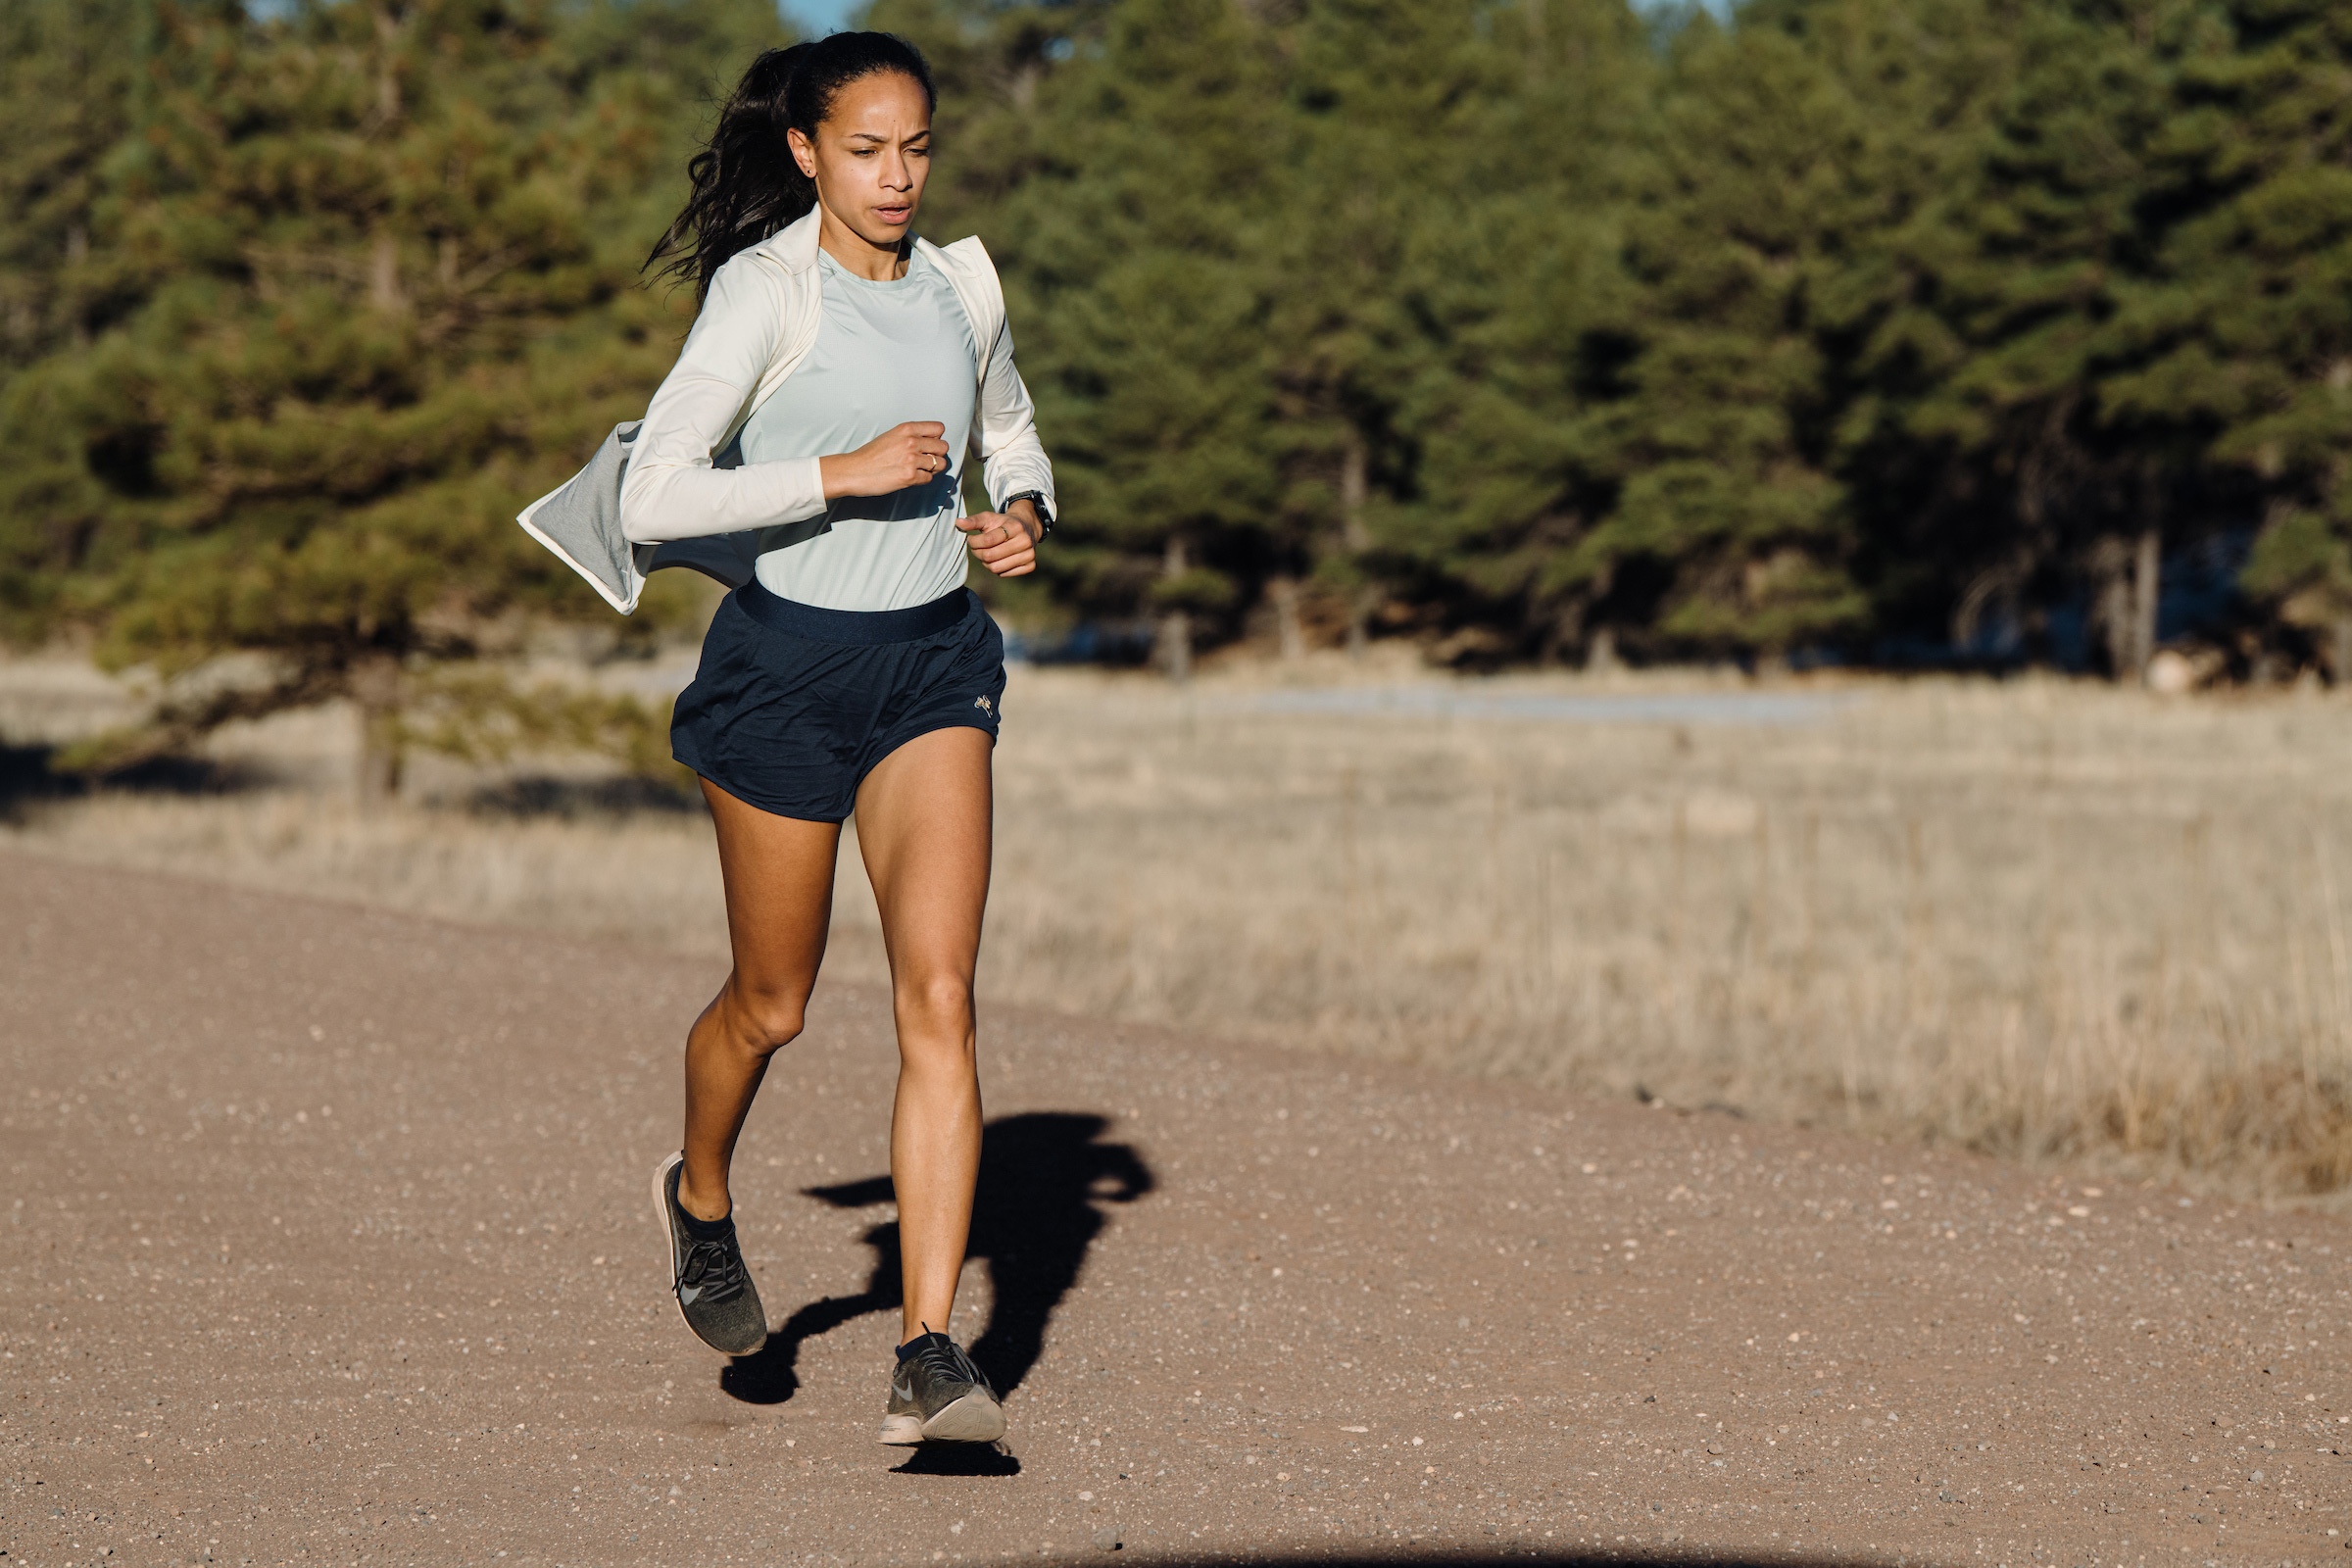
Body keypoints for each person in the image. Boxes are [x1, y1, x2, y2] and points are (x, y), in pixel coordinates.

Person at [624, 31, 1054, 1447]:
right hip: (786, 675)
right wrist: (840, 473)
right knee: (775, 1003)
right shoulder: (767, 295)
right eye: (866, 150)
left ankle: (932, 1351)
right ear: (807, 152)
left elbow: (1012, 429)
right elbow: (654, 498)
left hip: (934, 665)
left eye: (916, 149)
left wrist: (1023, 514)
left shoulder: (960, 285)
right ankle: (698, 1196)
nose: (897, 177)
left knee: (939, 997)